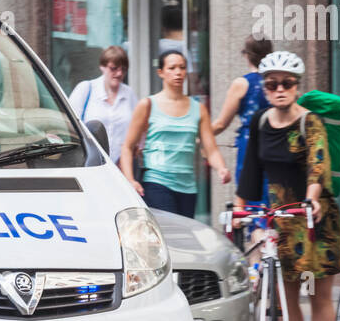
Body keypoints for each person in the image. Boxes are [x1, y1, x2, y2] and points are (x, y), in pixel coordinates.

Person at [234, 51, 340, 321]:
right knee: (286, 296)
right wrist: (240, 209)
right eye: (273, 84)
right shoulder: (260, 122)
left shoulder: (309, 121)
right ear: (265, 88)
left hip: (315, 220)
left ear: (297, 87)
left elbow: (319, 164)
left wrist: (312, 199)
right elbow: (251, 172)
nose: (280, 89)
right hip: (281, 221)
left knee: (318, 296)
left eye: (287, 83)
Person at [119, 51, 229, 218]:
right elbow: (127, 147)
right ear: (160, 72)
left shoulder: (198, 109)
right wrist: (130, 180)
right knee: (170, 235)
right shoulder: (148, 105)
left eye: (182, 68)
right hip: (156, 181)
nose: (178, 72)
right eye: (172, 68)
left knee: (183, 239)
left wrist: (221, 168)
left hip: (188, 187)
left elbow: (211, 149)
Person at [211, 33, 273, 200]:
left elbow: (221, 124)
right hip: (276, 142)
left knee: (249, 193)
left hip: (250, 144)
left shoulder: (242, 84)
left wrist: (202, 135)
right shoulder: (277, 82)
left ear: (246, 55)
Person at [69, 45, 135, 164]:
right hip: (91, 163)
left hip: (121, 167)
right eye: (114, 68)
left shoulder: (129, 93)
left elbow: (138, 132)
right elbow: (70, 125)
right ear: (102, 67)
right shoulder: (86, 88)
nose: (119, 73)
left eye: (123, 69)